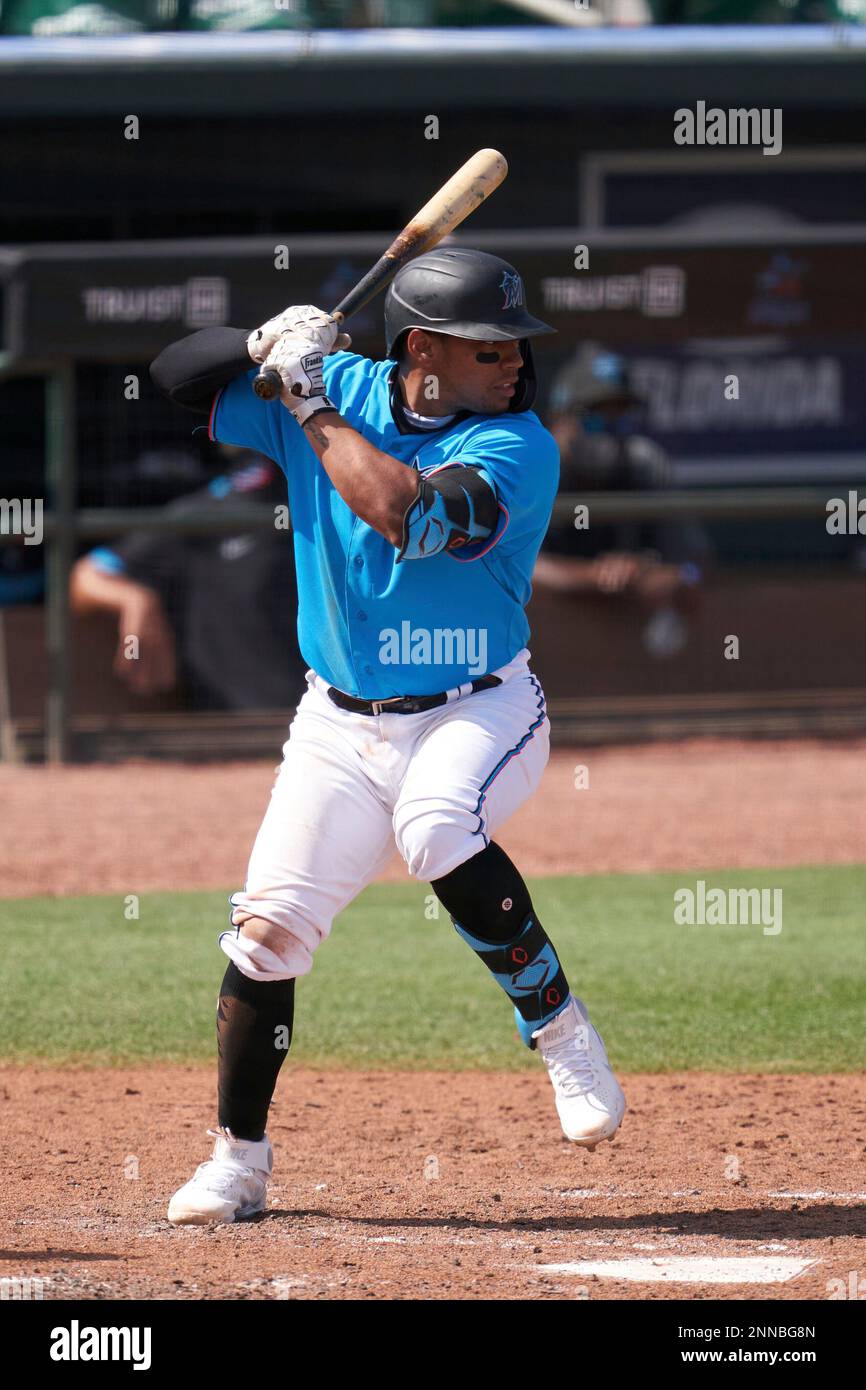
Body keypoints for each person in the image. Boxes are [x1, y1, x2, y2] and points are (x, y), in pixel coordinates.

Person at [150, 248, 626, 1226]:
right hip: (335, 720)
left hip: (478, 705)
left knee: (436, 824)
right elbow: (166, 382)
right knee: (266, 936)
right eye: (488, 348)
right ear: (421, 350)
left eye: (512, 346)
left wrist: (309, 402)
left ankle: (560, 1031)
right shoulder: (330, 381)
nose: (513, 364)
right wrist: (261, 345)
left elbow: (401, 509)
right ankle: (237, 1161)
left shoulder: (519, 446)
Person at [69, 450, 307, 710]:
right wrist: (136, 600)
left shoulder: (330, 502)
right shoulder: (208, 510)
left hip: (336, 718)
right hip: (237, 722)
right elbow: (86, 575)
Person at [535, 343, 708, 659]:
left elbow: (692, 561)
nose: (610, 431)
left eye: (621, 418)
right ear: (560, 418)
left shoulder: (643, 461)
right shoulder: (532, 468)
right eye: (595, 418)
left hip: (625, 656)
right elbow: (514, 567)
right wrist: (598, 575)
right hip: (537, 653)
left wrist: (658, 573)